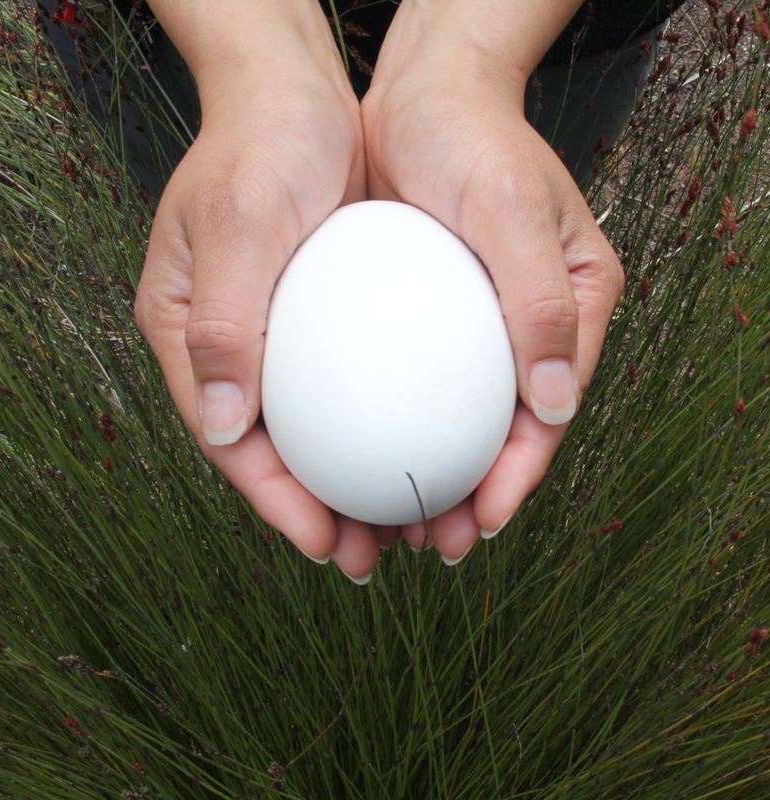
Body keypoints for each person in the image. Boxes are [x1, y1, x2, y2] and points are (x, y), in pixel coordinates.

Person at [46, 1, 679, 583]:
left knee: (514, 234)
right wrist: (250, 57)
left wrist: (471, 53)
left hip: (538, 36)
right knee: (221, 239)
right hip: (184, 34)